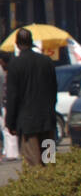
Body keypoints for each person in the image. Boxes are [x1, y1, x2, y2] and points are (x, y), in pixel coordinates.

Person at [3, 28, 58, 167]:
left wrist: (10, 123)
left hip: (28, 125)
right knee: (50, 161)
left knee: (34, 165)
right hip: (48, 122)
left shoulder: (15, 65)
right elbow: (54, 90)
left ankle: (40, 189)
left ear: (17, 44)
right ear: (31, 42)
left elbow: (12, 96)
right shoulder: (47, 61)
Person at [0, 50, 20, 161]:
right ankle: (50, 166)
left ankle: (12, 153)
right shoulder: (47, 64)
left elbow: (11, 94)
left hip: (32, 121)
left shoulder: (11, 72)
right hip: (47, 118)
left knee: (8, 129)